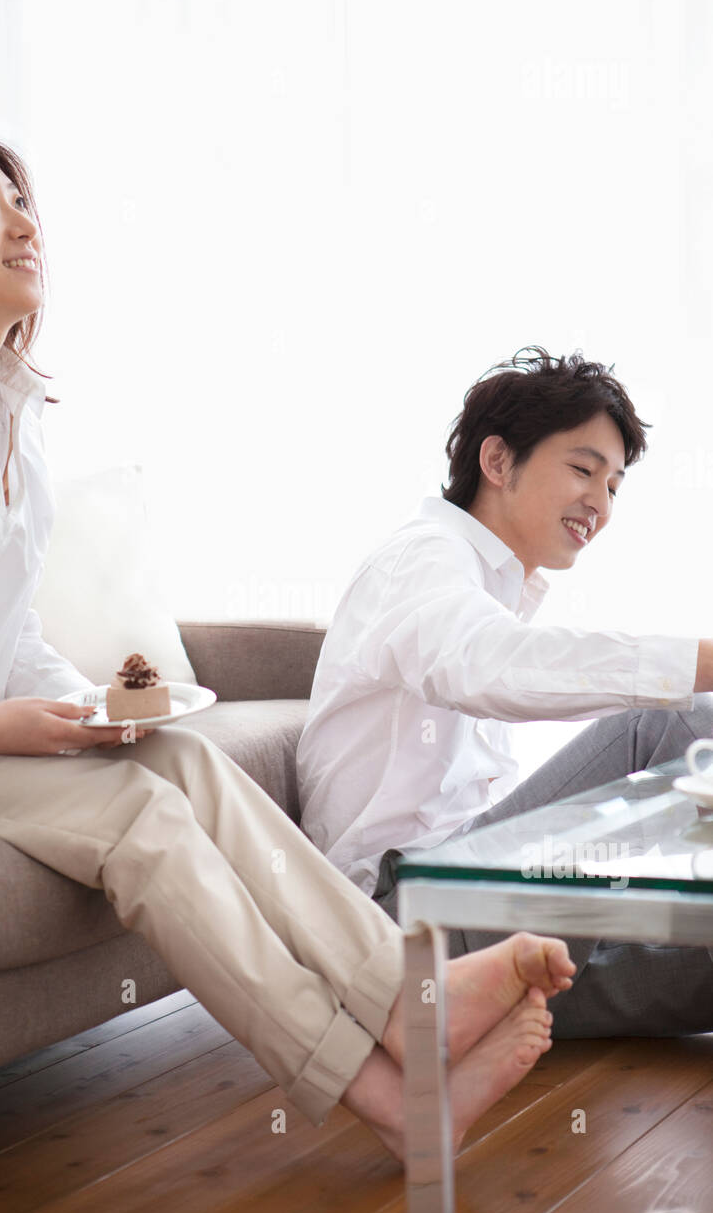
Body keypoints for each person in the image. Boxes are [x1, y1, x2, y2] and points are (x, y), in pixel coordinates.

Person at [0, 128, 576, 1170]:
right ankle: (386, 1091)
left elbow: (2, 635)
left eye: (22, 198)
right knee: (137, 812)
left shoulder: (11, 416)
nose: (22, 221)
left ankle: (412, 999)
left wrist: (95, 707)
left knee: (179, 757)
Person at [296, 346, 713, 1039]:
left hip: (448, 948)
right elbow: (486, 666)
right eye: (583, 469)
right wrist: (700, 661)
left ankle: (467, 1008)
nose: (600, 504)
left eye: (612, 485)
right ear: (497, 462)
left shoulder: (495, 589)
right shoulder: (423, 558)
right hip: (397, 918)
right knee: (665, 722)